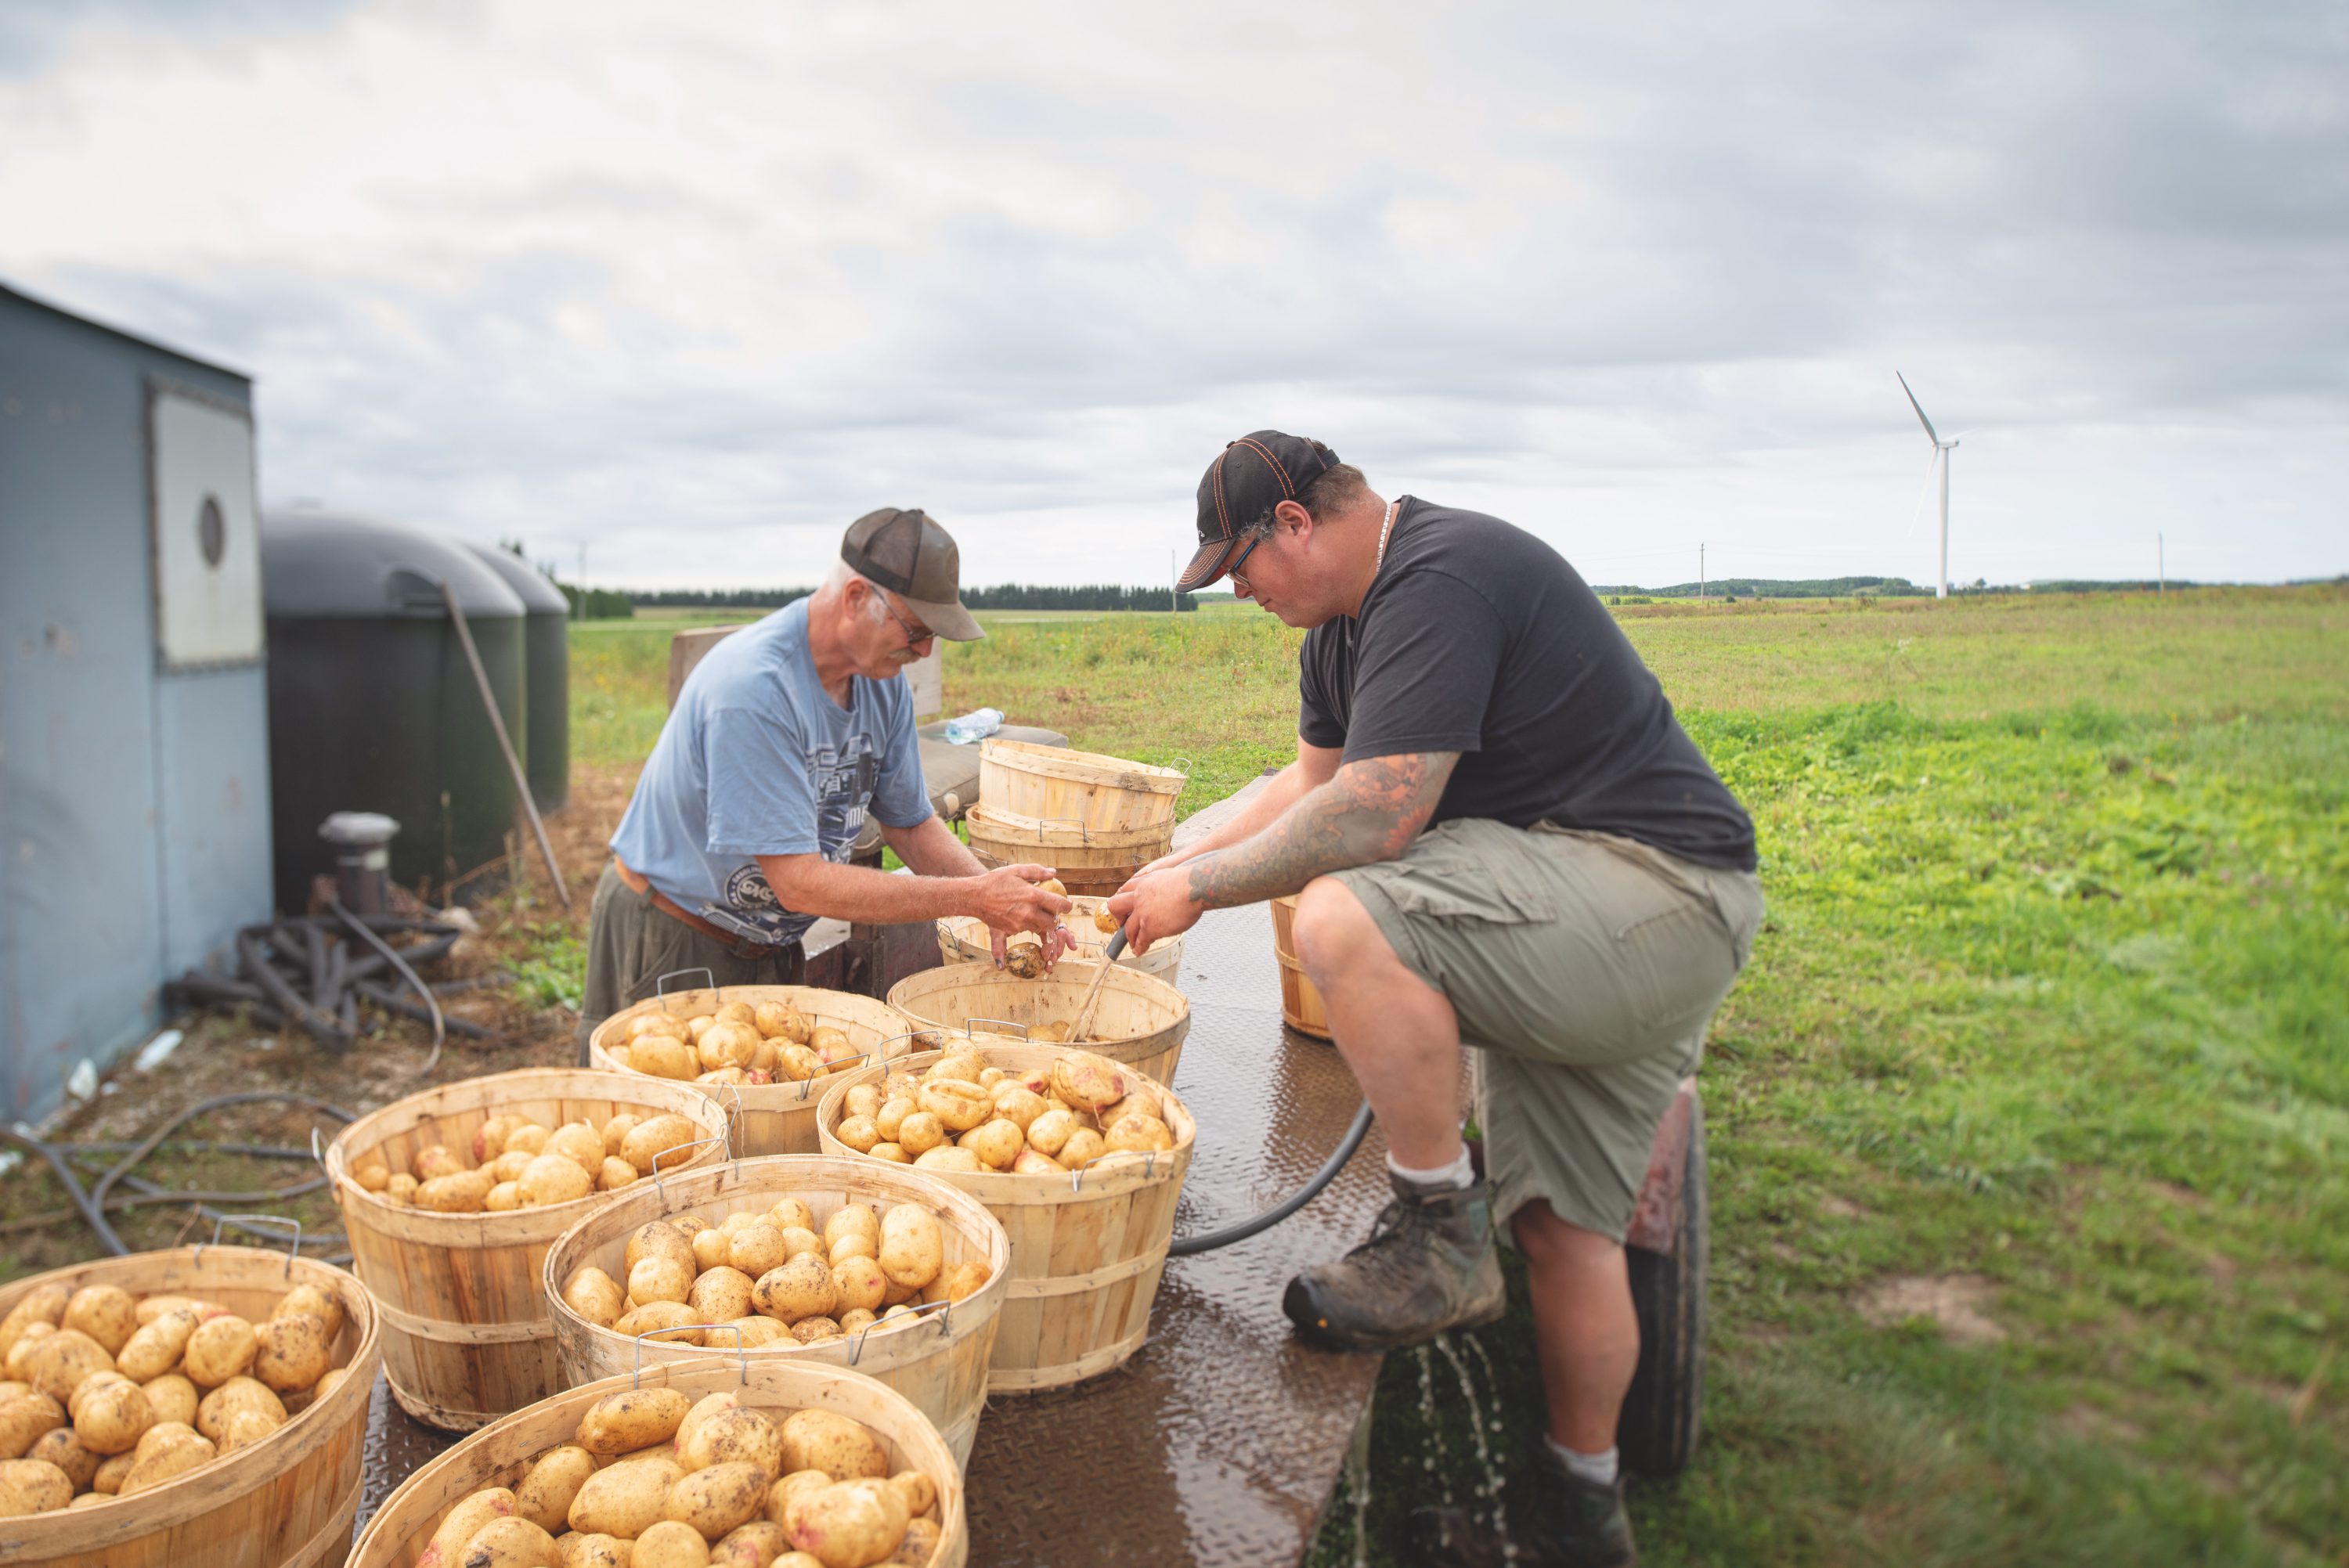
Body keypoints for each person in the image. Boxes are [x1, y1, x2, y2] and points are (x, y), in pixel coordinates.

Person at [1110, 433, 1763, 1568]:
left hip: (1649, 894)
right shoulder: (1339, 631)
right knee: (1565, 1229)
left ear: (1296, 527)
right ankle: (1581, 1505)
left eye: (1240, 565)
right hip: (1586, 912)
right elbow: (1305, 785)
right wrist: (1161, 857)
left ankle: (1434, 1226)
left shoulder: (1441, 571)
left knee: (1341, 912)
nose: (1239, 591)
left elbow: (1376, 811)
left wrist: (1201, 889)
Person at [580, 507, 1072, 1052]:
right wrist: (974, 898)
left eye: (933, 635)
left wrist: (994, 902)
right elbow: (798, 881)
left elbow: (908, 824)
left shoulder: (879, 682)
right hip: (676, 934)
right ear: (856, 597)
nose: (926, 651)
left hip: (769, 942)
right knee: (663, 1121)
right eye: (916, 630)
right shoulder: (756, 690)